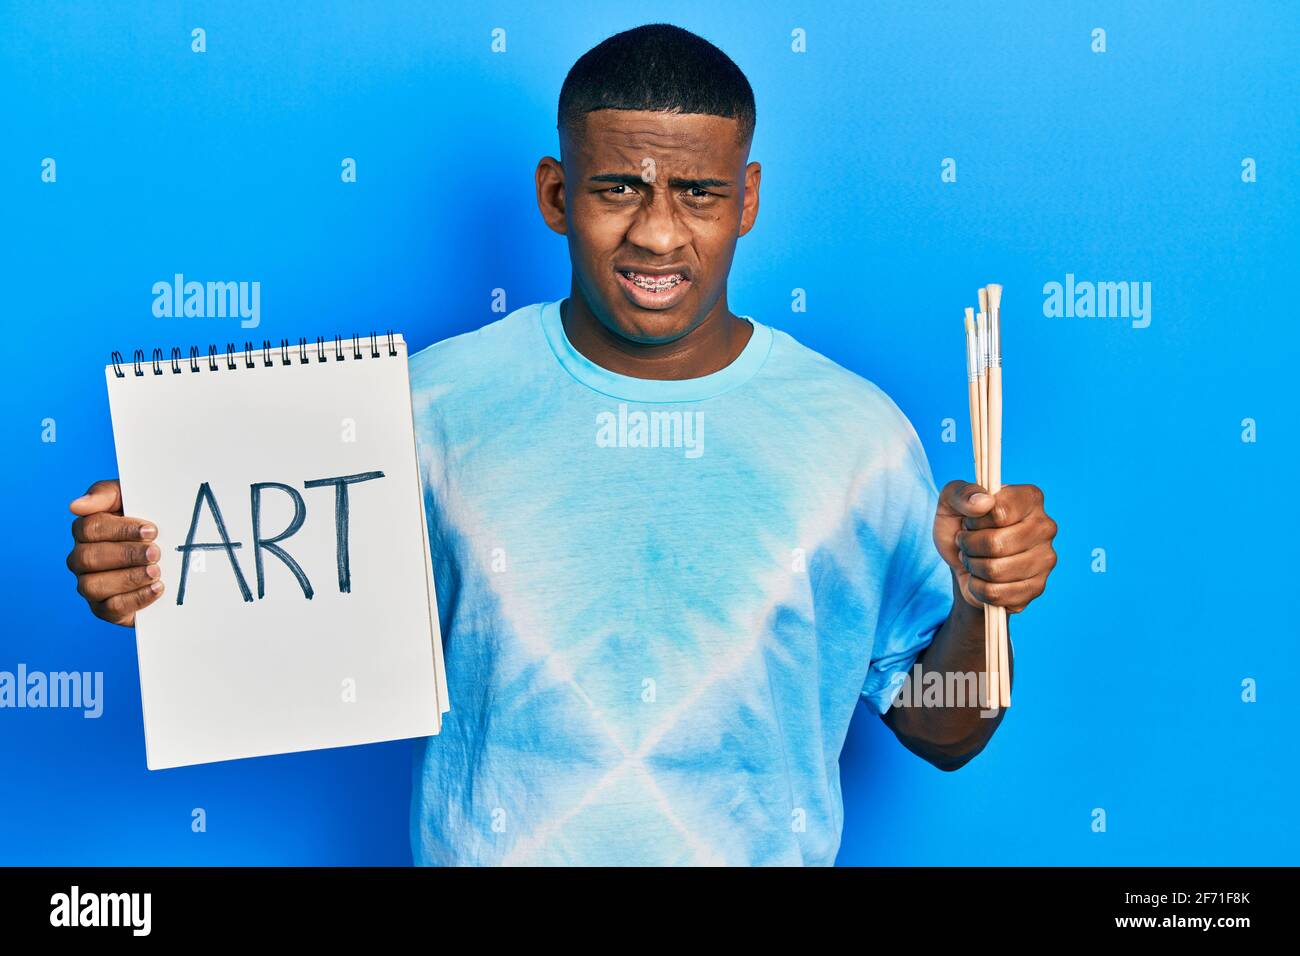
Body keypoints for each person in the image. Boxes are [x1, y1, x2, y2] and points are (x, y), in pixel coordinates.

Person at [64, 23, 1057, 865]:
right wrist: (152, 574)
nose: (659, 236)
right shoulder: (424, 405)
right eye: (617, 187)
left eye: (699, 196)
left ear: (746, 199)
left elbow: (943, 728)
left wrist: (982, 604)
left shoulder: (856, 436)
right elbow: (281, 607)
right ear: (554, 194)